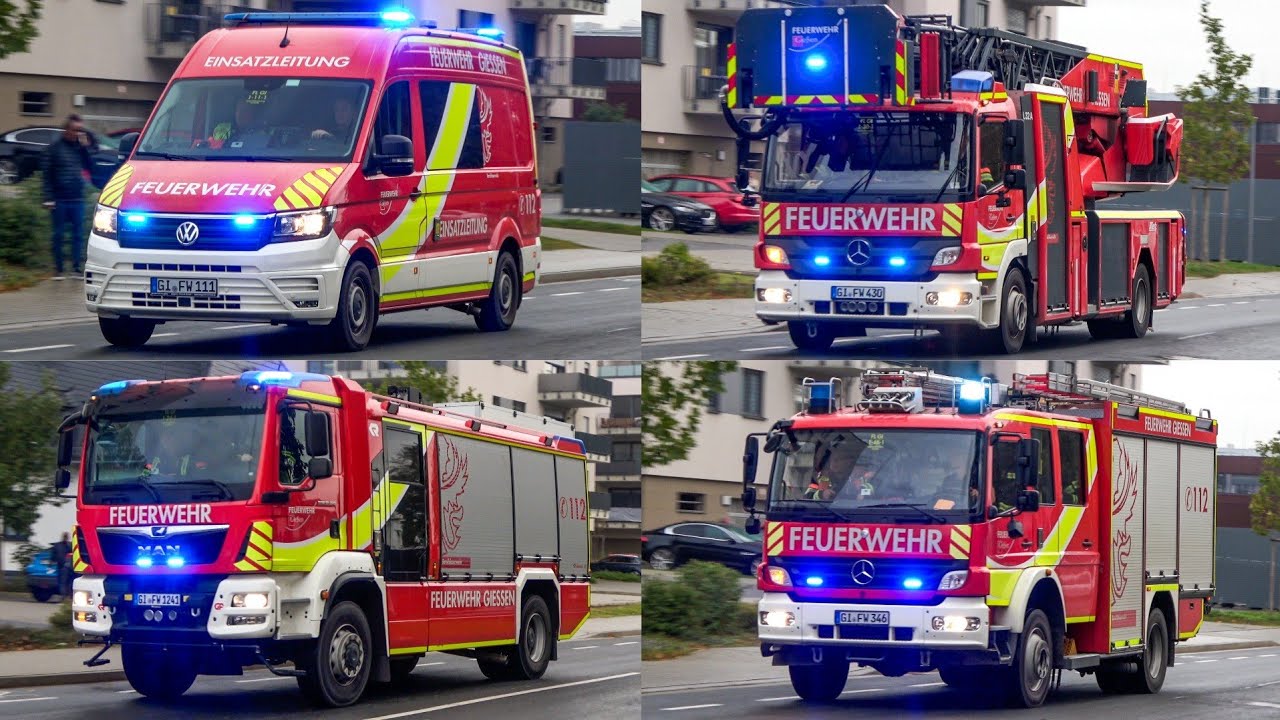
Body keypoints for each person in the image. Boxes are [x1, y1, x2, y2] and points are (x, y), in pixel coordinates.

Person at [42, 114, 94, 280]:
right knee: (59, 235)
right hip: (59, 199)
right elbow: (47, 175)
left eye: (80, 130)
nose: (77, 133)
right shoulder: (54, 148)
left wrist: (85, 148)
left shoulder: (80, 149)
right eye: (75, 130)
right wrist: (48, 197)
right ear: (66, 130)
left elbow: (90, 166)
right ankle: (58, 269)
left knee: (78, 235)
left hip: (77, 198)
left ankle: (76, 268)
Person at [51, 532, 71, 598]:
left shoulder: (58, 545)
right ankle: (64, 596)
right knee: (63, 582)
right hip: (64, 566)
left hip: (64, 566)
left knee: (63, 582)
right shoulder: (68, 545)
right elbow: (54, 556)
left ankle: (65, 596)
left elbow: (53, 556)